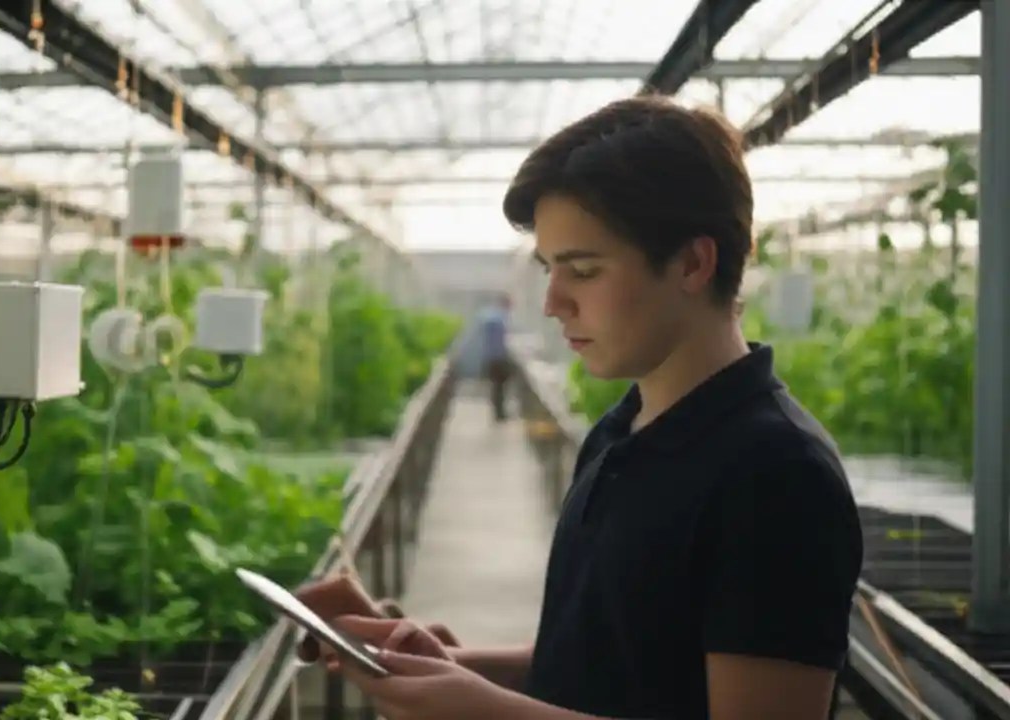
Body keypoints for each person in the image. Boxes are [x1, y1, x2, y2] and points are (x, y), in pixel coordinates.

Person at [294, 95, 864, 720]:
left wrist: (484, 711)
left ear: (693, 263)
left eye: (584, 271)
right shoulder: (623, 430)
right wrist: (451, 667)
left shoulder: (776, 473)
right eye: (549, 270)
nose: (553, 302)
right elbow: (610, 659)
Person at [477, 293, 514, 421]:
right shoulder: (498, 318)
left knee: (496, 386)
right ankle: (499, 413)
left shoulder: (492, 317)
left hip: (491, 357)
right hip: (497, 358)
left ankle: (498, 412)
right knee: (499, 387)